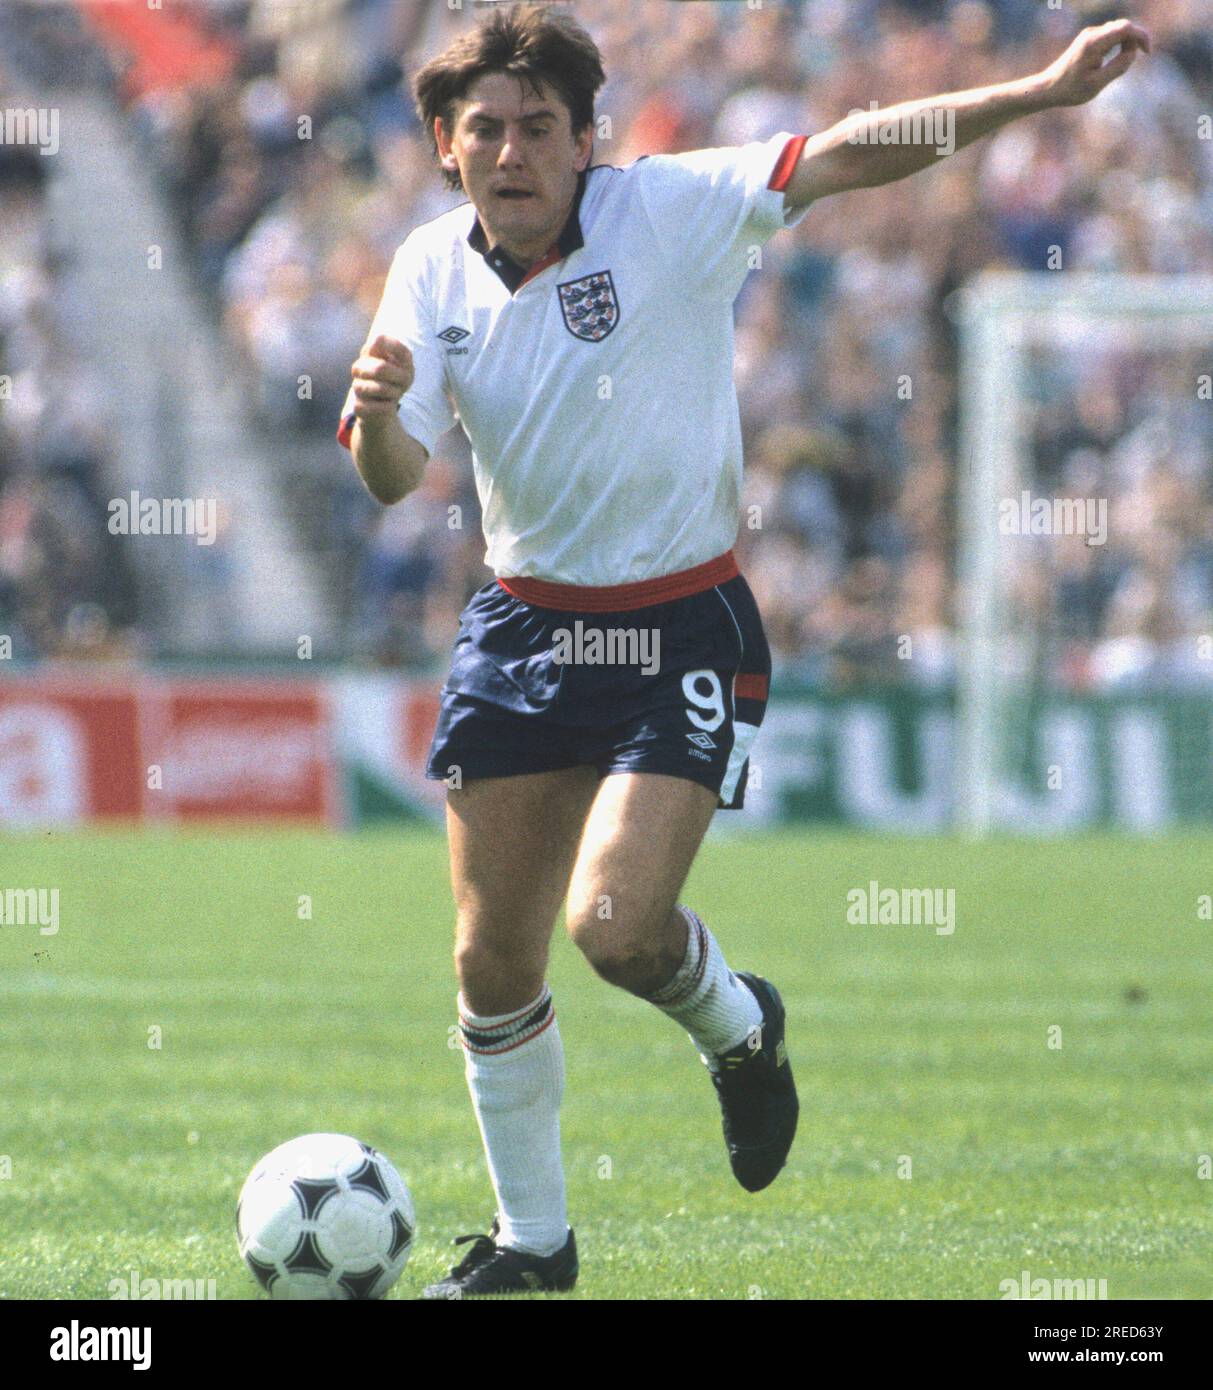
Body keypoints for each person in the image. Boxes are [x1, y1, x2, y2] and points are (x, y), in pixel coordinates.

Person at [338, 3, 1148, 1297]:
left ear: (581, 138)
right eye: (483, 129)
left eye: (537, 128)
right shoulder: (430, 269)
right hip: (522, 627)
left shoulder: (669, 208)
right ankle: (534, 1248)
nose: (511, 153)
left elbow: (854, 147)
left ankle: (738, 1025)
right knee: (491, 957)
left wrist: (1033, 97)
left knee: (612, 927)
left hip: (676, 622)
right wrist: (376, 417)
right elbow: (390, 477)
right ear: (442, 143)